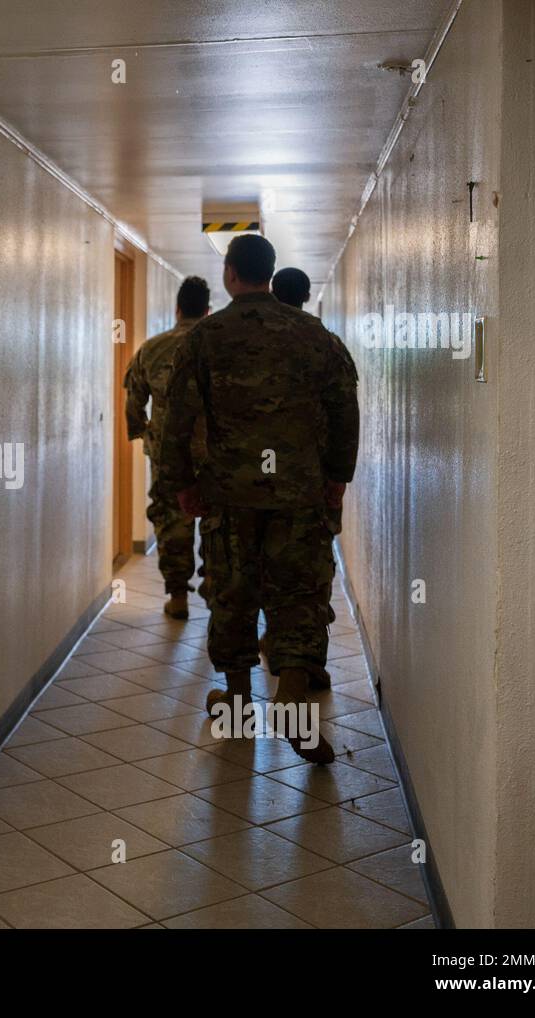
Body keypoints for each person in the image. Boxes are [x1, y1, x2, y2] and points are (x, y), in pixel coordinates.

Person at [159, 235, 359, 764]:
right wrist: (337, 475)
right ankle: (292, 692)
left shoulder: (206, 338)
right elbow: (344, 407)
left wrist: (182, 483)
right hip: (299, 493)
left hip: (229, 494)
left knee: (231, 591)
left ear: (229, 274)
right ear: (270, 275)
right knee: (298, 592)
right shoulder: (313, 335)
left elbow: (176, 419)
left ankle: (240, 698)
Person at [123, 277, 210, 619]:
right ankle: (216, 591)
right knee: (217, 521)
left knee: (171, 520)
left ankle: (178, 597)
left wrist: (145, 434)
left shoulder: (152, 347)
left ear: (177, 308)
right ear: (207, 310)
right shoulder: (217, 345)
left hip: (166, 454)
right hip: (215, 452)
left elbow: (134, 401)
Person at [264, 265, 333, 690]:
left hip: (251, 486)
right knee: (310, 577)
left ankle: (270, 644)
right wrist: (338, 476)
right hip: (308, 485)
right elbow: (344, 410)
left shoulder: (245, 337)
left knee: (259, 572)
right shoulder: (320, 340)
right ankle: (304, 665)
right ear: (307, 296)